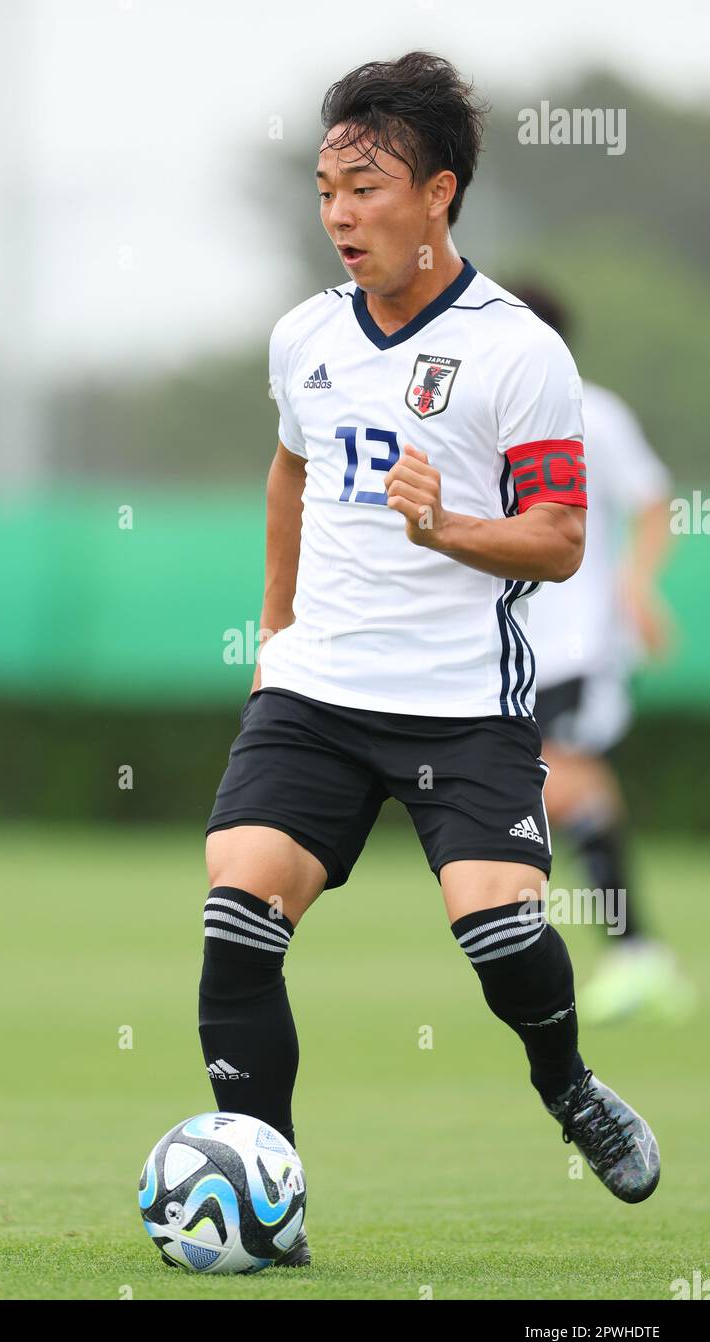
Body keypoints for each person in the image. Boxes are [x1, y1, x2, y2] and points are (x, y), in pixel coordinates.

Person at [193, 52, 659, 1270]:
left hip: (458, 703)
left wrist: (443, 523)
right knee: (237, 910)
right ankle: (265, 1204)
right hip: (313, 692)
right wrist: (272, 631)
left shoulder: (518, 353)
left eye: (367, 186)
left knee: (498, 937)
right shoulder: (304, 336)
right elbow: (287, 473)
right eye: (324, 188)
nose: (341, 213)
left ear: (438, 192)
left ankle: (567, 1088)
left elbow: (557, 542)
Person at [514, 284, 694, 1026]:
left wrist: (634, 584)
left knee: (562, 781)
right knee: (569, 787)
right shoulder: (490, 413)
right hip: (516, 642)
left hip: (582, 642)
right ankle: (637, 949)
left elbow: (655, 501)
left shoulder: (599, 413)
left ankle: (627, 949)